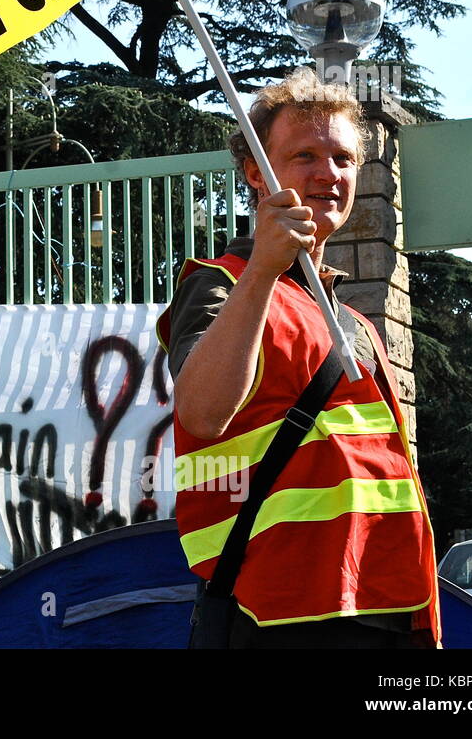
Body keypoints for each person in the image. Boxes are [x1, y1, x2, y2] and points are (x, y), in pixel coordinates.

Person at [157, 68, 440, 648]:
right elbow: (202, 413)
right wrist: (263, 268)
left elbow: (395, 483)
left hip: (386, 607)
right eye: (304, 155)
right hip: (274, 613)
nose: (327, 174)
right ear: (256, 173)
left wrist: (425, 623)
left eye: (342, 158)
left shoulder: (358, 325)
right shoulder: (223, 283)